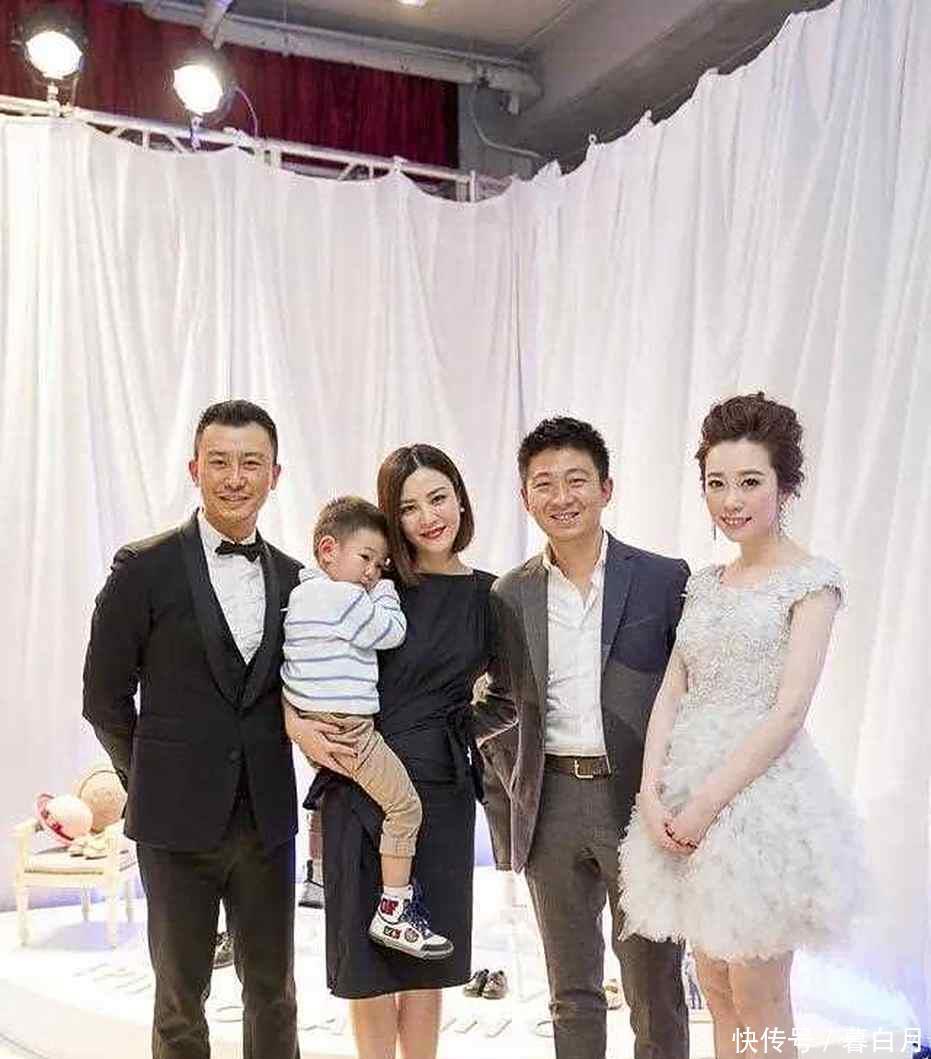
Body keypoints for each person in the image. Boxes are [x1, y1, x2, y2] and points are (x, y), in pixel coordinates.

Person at [619, 392, 863, 1059]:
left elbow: (788, 711)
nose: (731, 500)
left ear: (784, 485)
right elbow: (673, 688)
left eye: (749, 481)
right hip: (684, 794)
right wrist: (650, 790)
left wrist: (705, 804)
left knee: (759, 993)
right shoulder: (705, 582)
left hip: (758, 801)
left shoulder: (811, 582)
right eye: (716, 483)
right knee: (716, 984)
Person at [83, 399, 301, 1059]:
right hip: (173, 825)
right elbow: (103, 697)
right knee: (180, 1000)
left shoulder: (296, 579)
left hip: (266, 820)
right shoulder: (142, 567)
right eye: (219, 462)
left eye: (250, 463)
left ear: (274, 475)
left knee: (274, 994)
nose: (235, 478)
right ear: (194, 469)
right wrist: (151, 777)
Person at [475, 416, 690, 1059]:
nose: (561, 496)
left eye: (576, 480)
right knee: (570, 991)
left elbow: (693, 690)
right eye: (544, 483)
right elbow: (500, 702)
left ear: (606, 488)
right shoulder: (508, 594)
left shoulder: (662, 578)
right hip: (550, 804)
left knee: (654, 986)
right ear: (525, 498)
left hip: (640, 802)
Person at [285, 444, 494, 1059]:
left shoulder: (490, 594)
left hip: (442, 791)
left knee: (429, 962)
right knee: (366, 963)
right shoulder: (368, 582)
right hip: (358, 779)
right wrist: (298, 725)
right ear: (390, 517)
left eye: (438, 498)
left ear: (461, 500)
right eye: (408, 507)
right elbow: (294, 661)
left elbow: (512, 698)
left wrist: (462, 731)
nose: (428, 517)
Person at [282, 495, 452, 958]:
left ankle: (320, 875)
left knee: (337, 804)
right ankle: (393, 911)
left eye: (380, 565)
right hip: (349, 728)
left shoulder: (299, 595)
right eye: (366, 558)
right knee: (404, 808)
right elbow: (391, 632)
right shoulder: (345, 597)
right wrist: (387, 593)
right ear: (327, 550)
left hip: (313, 719)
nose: (373, 572)